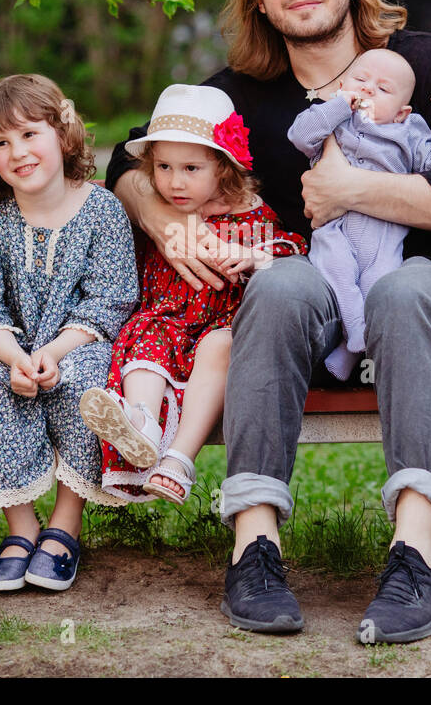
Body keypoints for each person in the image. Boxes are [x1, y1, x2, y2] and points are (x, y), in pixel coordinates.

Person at [104, 0, 431, 642]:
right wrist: (165, 223)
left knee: (404, 290)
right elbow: (125, 158)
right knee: (280, 284)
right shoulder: (237, 94)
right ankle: (253, 545)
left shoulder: (421, 62)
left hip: (417, 275)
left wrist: (360, 191)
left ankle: (416, 554)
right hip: (312, 284)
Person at [0, 74, 137, 594]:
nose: (18, 152)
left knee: (87, 382)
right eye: (1, 142)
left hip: (77, 343)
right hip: (3, 346)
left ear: (63, 134)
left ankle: (65, 525)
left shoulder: (101, 210)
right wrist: (13, 357)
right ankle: (21, 526)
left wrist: (51, 352)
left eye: (30, 135)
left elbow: (111, 297)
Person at [80, 84, 307, 504]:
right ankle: (141, 425)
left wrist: (250, 256)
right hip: (165, 319)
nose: (173, 182)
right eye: (163, 167)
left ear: (223, 167)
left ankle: (178, 462)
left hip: (220, 327)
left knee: (220, 346)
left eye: (190, 169)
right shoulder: (162, 215)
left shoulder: (249, 214)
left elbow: (290, 251)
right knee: (145, 340)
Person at [287, 47, 431, 379]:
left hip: (385, 236)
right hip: (335, 231)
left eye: (383, 88)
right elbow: (299, 135)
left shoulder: (409, 130)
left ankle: (349, 350)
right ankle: (357, 335)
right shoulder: (334, 122)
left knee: (379, 286)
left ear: (402, 112)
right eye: (360, 80)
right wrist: (335, 105)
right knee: (339, 274)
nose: (367, 89)